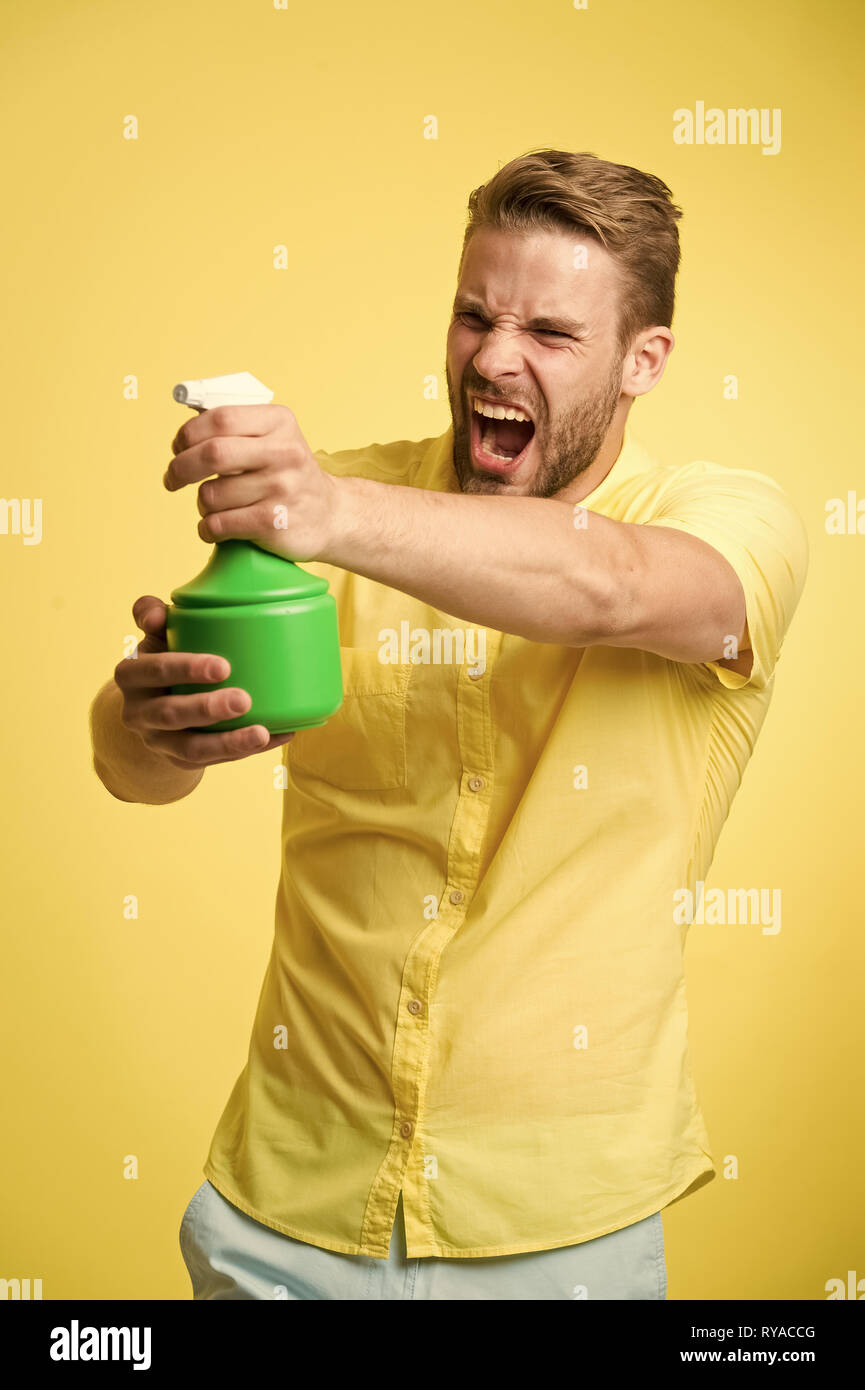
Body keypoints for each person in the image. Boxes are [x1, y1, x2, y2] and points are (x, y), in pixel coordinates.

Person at [89, 148, 808, 1300]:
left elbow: (613, 585)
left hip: (554, 1233)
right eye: (474, 314)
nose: (492, 357)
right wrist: (150, 728)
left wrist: (329, 509)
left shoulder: (727, 520)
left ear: (644, 359)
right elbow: (131, 769)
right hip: (286, 1210)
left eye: (550, 333)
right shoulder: (330, 516)